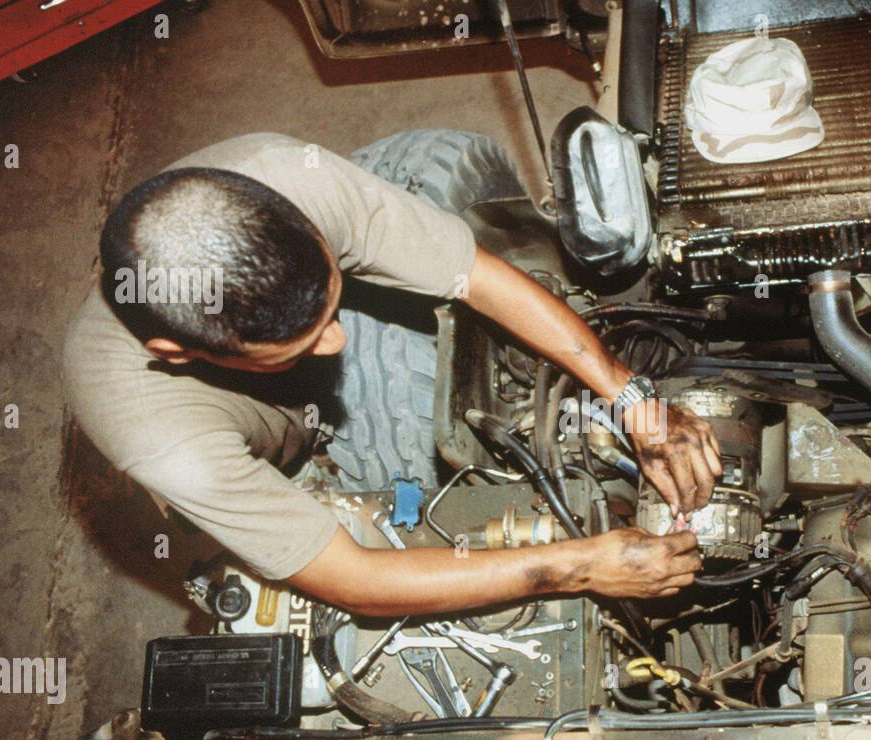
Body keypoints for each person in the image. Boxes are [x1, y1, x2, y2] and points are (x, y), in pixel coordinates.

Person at [63, 132, 720, 618]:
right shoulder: (158, 433)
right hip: (246, 441)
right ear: (176, 352)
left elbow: (477, 276)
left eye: (330, 304)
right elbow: (353, 580)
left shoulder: (291, 178)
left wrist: (634, 401)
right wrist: (582, 566)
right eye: (304, 340)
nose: (341, 339)